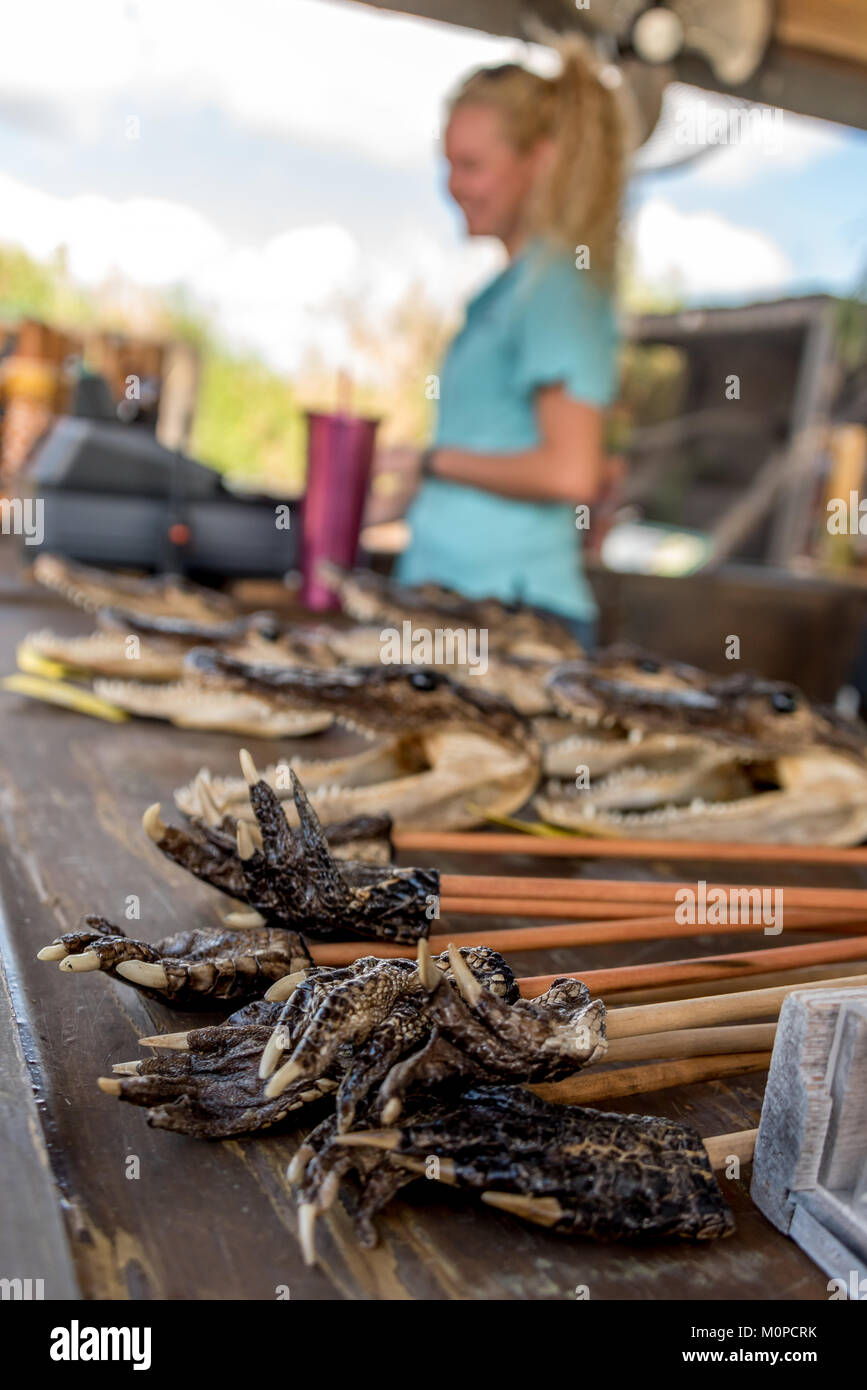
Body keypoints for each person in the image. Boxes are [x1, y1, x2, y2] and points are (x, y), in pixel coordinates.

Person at [393, 41, 628, 647]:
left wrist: (431, 461)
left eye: (471, 165)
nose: (452, 186)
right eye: (447, 164)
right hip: (459, 601)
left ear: (541, 161)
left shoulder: (558, 285)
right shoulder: (514, 289)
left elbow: (572, 471)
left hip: (509, 617)